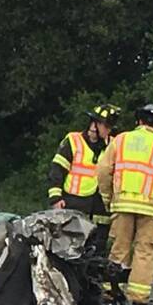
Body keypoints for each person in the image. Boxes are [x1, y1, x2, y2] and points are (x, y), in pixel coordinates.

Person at [97, 104, 153, 305]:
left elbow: (103, 170)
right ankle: (138, 300)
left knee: (119, 249)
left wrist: (108, 198)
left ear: (139, 121)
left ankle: (111, 294)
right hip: (152, 208)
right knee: (145, 252)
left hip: (122, 205)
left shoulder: (121, 140)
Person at [47, 104, 120, 245]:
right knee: (69, 247)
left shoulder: (113, 144)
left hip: (100, 206)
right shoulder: (73, 141)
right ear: (95, 125)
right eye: (107, 127)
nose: (109, 131)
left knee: (97, 248)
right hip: (73, 203)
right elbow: (57, 170)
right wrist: (56, 198)